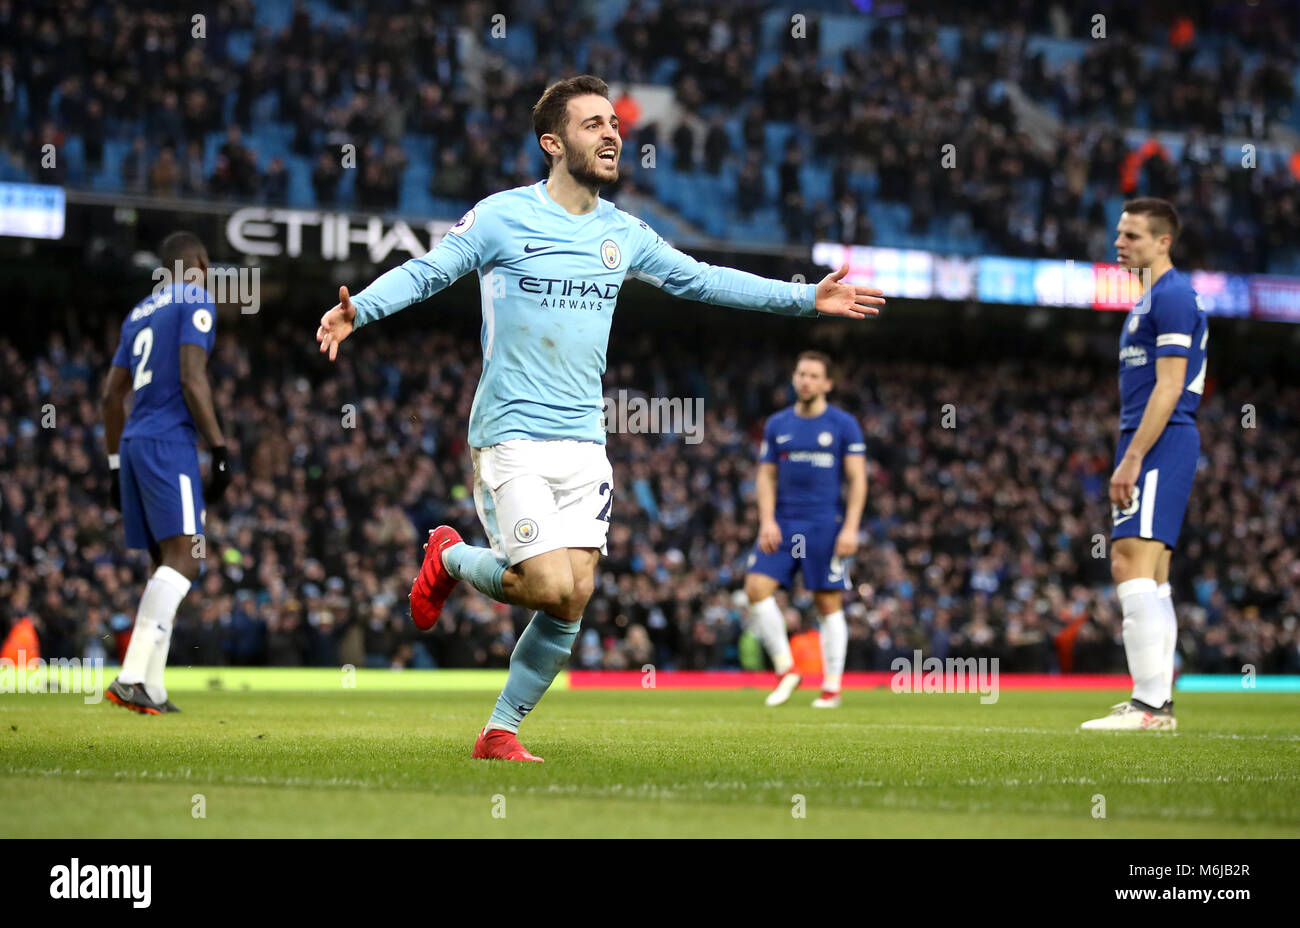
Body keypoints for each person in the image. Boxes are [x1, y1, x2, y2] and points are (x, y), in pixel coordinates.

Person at [315, 75, 885, 762]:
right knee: (547, 583)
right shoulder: (501, 217)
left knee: (572, 599)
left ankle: (501, 731)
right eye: (593, 124)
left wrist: (803, 300)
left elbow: (703, 278)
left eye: (614, 123)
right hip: (513, 434)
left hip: (585, 444)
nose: (612, 134)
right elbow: (430, 271)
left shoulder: (624, 233)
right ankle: (451, 556)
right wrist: (361, 310)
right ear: (554, 143)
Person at [1082, 198, 1206, 732]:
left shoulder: (1173, 296)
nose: (1119, 243)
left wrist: (1132, 456)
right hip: (1152, 440)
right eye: (1119, 233)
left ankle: (1149, 705)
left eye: (1131, 235)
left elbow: (1171, 385)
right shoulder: (1150, 299)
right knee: (1152, 576)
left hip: (1160, 441)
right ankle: (1157, 705)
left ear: (1163, 242)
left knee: (1129, 560)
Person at [102, 232, 231, 714]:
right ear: (198, 261)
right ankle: (131, 677)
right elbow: (191, 377)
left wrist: (115, 465)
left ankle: (151, 686)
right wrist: (219, 448)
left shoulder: (137, 313)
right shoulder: (196, 297)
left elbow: (109, 396)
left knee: (161, 564)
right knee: (186, 558)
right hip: (167, 442)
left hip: (133, 443)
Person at [743, 351, 867, 708]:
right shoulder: (778, 424)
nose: (805, 381)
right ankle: (786, 669)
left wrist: (851, 527)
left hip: (825, 525)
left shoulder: (843, 424)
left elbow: (858, 479)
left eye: (813, 375)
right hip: (783, 524)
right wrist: (766, 520)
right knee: (756, 588)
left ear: (827, 383)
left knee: (827, 603)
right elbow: (765, 475)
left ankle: (831, 687)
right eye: (800, 374)